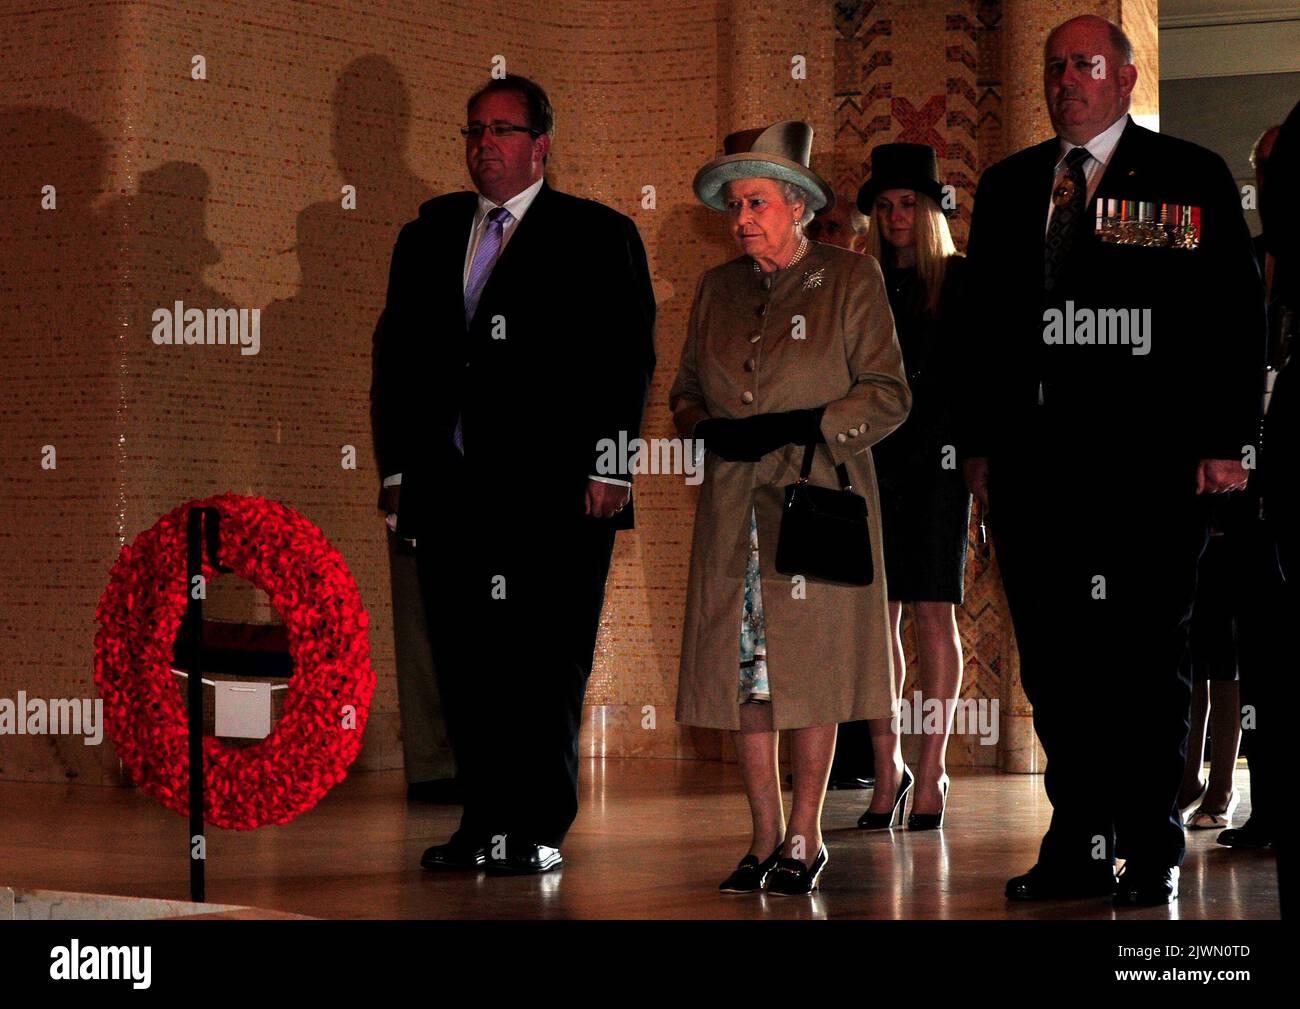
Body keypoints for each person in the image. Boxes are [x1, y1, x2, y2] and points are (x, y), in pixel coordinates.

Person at [960, 15, 1265, 907]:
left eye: (1085, 64)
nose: (1066, 81)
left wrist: (1225, 441)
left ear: (1126, 77)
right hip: (1034, 473)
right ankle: (1080, 843)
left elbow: (1229, 319)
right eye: (1054, 67)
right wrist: (977, 443)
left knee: (1140, 663)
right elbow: (980, 326)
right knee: (1057, 666)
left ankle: (1149, 844)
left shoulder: (1187, 176)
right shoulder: (1012, 184)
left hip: (1146, 473)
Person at [377, 75, 656, 874]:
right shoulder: (427, 236)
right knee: (466, 663)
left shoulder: (597, 235)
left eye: (502, 129)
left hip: (555, 494)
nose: (484, 143)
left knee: (542, 664)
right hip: (451, 487)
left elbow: (625, 357)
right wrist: (398, 471)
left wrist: (611, 463)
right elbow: (397, 363)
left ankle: (535, 826)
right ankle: (482, 823)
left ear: (541, 146)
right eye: (474, 130)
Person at [671, 121, 910, 895]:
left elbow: (888, 394)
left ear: (800, 205)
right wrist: (701, 428)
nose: (742, 218)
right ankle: (763, 835)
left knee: (810, 671)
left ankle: (806, 835)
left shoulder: (851, 279)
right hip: (734, 509)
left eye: (758, 203)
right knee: (747, 678)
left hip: (817, 501)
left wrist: (811, 425)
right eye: (735, 204)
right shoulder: (717, 288)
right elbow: (682, 391)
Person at [855, 143, 971, 831]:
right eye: (886, 204)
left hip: (940, 465)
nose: (896, 215)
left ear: (929, 211)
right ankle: (886, 766)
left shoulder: (959, 279)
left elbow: (977, 378)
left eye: (908, 203)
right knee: (878, 621)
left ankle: (930, 772)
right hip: (872, 462)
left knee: (932, 615)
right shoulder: (858, 281)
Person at [805, 195, 876, 792]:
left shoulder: (859, 281)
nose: (821, 234)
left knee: (867, 617)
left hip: (872, 460)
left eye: (834, 226)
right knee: (824, 613)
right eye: (816, 225)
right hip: (813, 470)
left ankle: (890, 765)